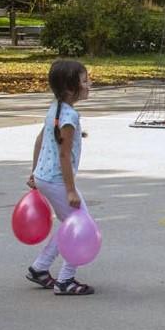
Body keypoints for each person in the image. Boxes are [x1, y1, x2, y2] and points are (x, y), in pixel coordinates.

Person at [25, 60, 96, 296]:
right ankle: (66, 280)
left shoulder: (54, 108)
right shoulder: (69, 117)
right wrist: (71, 190)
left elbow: (40, 139)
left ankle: (40, 268)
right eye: (85, 81)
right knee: (80, 225)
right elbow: (64, 154)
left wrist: (34, 172)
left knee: (68, 223)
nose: (89, 84)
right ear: (69, 88)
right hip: (57, 180)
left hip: (45, 177)